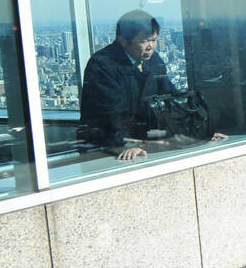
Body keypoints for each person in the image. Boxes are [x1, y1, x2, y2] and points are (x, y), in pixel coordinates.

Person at [78, 10, 224, 161]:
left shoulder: (153, 61)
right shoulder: (102, 65)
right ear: (123, 40)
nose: (150, 46)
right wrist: (124, 144)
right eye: (143, 41)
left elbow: (172, 100)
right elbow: (108, 113)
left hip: (141, 144)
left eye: (153, 40)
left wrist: (198, 133)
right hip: (104, 148)